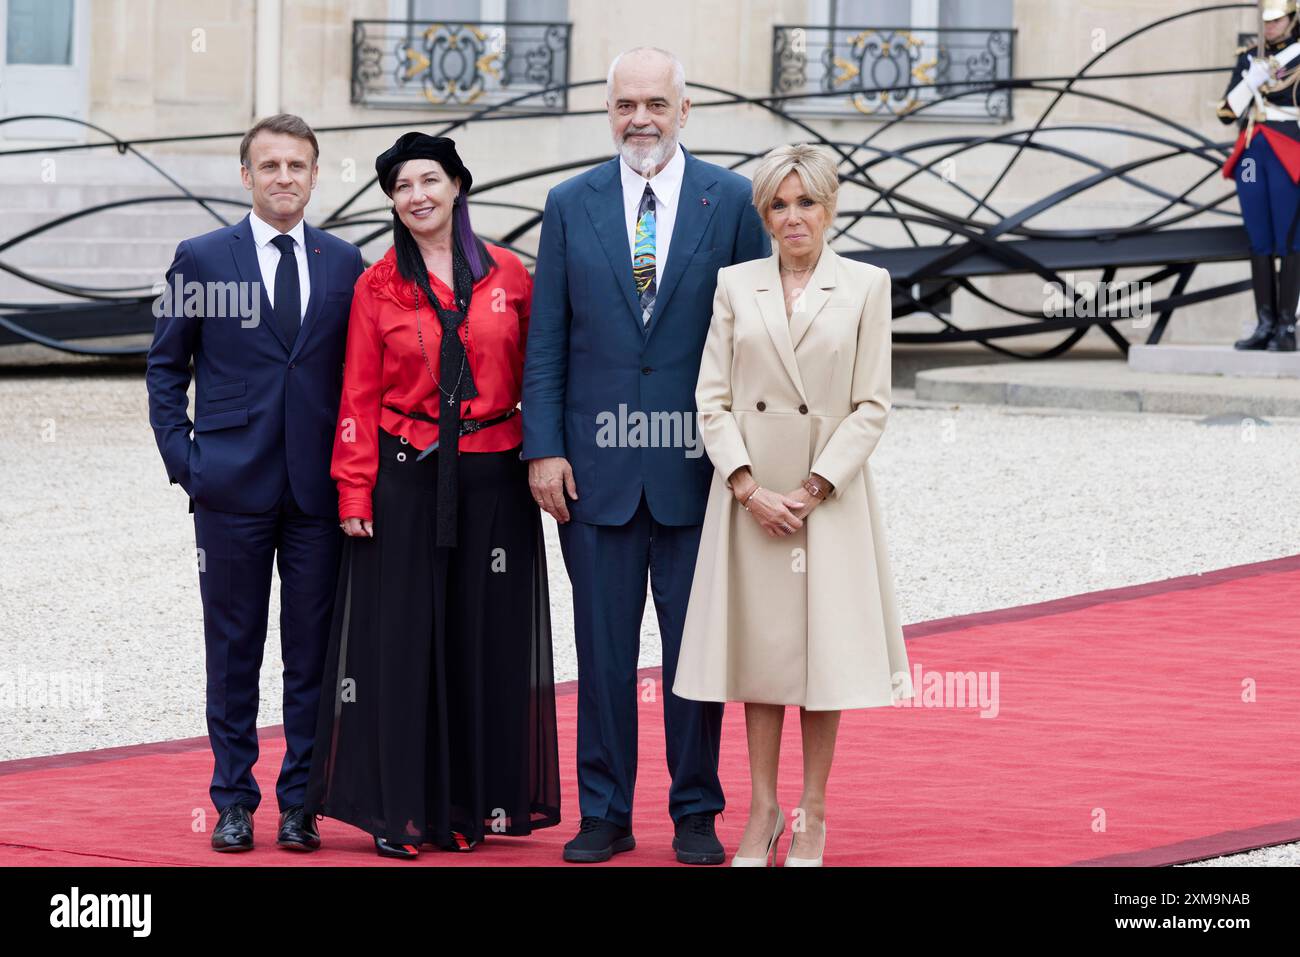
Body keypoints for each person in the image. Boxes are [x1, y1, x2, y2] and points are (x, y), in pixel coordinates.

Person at [521, 47, 770, 864]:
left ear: (684, 111)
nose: (640, 119)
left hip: (698, 470)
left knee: (695, 654)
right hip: (592, 472)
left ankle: (696, 811)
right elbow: (548, 340)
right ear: (608, 112)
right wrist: (544, 448)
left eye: (656, 104)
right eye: (626, 104)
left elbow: (752, 340)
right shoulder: (569, 203)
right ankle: (605, 811)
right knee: (601, 651)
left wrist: (748, 460)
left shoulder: (732, 201)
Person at [303, 132, 560, 858]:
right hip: (406, 478)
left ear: (457, 187)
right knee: (406, 643)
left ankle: (469, 806)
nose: (417, 195)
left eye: (430, 180)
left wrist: (546, 456)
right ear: (392, 200)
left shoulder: (510, 273)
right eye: (401, 186)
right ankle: (402, 811)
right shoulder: (377, 284)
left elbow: (539, 376)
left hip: (495, 478)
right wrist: (354, 487)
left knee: (481, 640)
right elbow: (355, 390)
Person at [672, 143, 916, 867]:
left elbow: (873, 404)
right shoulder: (734, 284)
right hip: (750, 497)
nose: (792, 217)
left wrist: (812, 488)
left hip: (827, 499)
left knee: (824, 657)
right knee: (762, 657)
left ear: (830, 205)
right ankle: (761, 809)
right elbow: (710, 396)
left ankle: (812, 810)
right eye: (778, 204)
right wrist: (746, 485)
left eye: (805, 201)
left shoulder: (868, 285)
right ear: (763, 214)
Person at [146, 114, 365, 853]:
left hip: (317, 494)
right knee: (234, 649)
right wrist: (187, 463)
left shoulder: (345, 263)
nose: (283, 177)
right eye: (269, 165)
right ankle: (233, 799)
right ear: (246, 175)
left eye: (297, 165)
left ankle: (301, 801)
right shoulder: (202, 259)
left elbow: (357, 378)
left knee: (312, 655)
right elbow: (165, 368)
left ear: (314, 174)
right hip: (229, 490)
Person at [1219, 0, 1300, 351]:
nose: (1270, 27)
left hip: (1288, 148)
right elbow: (1226, 113)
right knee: (1259, 238)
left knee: (1291, 239)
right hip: (1253, 152)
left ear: (1292, 18)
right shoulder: (1249, 56)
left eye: (1277, 20)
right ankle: (1265, 324)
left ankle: (1287, 326)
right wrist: (1250, 80)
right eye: (1266, 21)